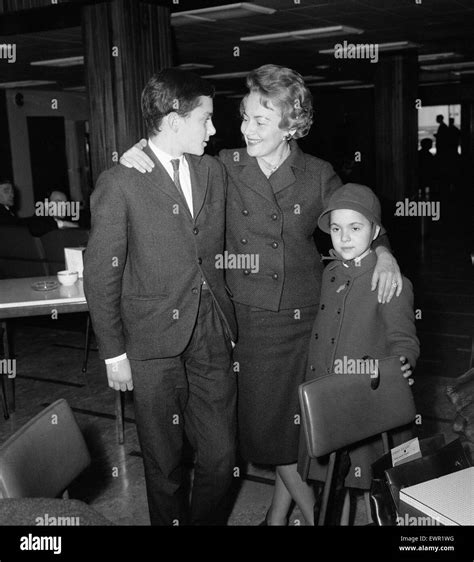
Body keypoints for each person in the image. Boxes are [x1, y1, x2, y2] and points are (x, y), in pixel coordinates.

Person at [119, 64, 403, 526]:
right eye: (245, 118)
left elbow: (358, 217)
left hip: (307, 321)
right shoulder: (223, 165)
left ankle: (276, 518)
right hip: (249, 323)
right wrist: (135, 152)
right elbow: (167, 160)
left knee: (301, 431)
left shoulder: (316, 174)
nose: (246, 129)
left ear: (291, 125)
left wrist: (385, 253)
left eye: (260, 121)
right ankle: (319, 519)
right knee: (267, 436)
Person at [83, 69, 238, 526]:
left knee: (221, 457)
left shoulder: (213, 170)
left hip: (210, 330)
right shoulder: (121, 181)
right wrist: (114, 354)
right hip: (151, 346)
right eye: (205, 119)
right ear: (173, 121)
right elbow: (101, 273)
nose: (213, 130)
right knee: (164, 465)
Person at [298, 183, 419, 523]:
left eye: (355, 228)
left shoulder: (389, 281)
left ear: (376, 231)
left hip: (366, 405)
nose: (344, 238)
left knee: (375, 485)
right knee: (331, 491)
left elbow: (404, 341)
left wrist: (402, 366)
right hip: (328, 401)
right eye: (336, 229)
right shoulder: (331, 272)